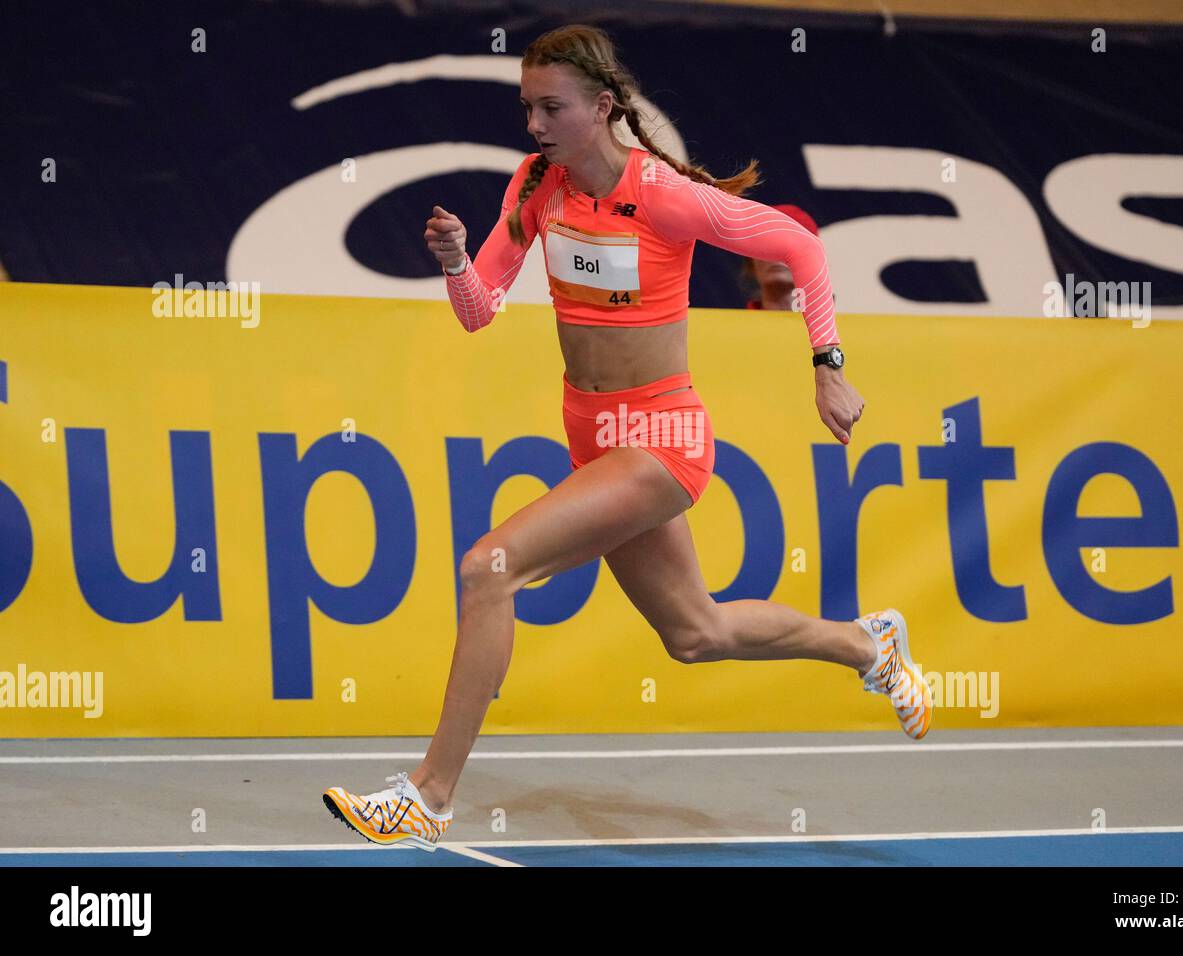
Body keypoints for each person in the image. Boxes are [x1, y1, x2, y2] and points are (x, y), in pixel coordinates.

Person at [322, 24, 932, 853]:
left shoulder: (664, 195)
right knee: (696, 634)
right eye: (527, 107)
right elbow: (478, 312)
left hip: (663, 439)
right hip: (593, 439)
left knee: (488, 569)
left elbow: (799, 245)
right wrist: (459, 259)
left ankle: (429, 795)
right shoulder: (537, 184)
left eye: (552, 108)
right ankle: (867, 644)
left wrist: (827, 364)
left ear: (601, 107)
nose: (535, 125)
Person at [739, 204, 823, 310]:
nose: (777, 253)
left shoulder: (841, 326)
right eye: (764, 242)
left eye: (790, 245)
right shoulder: (728, 326)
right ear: (751, 261)